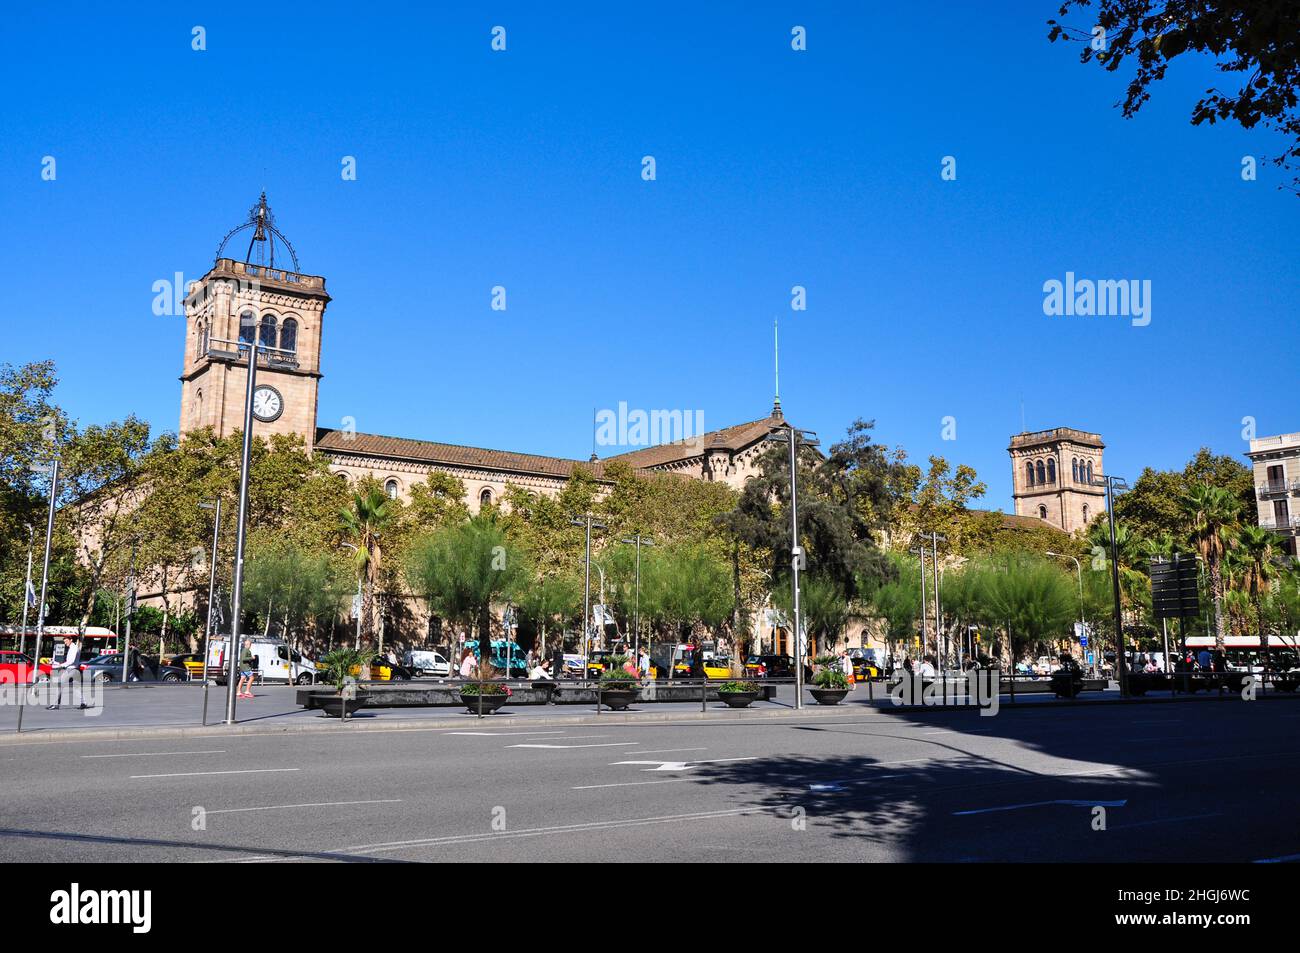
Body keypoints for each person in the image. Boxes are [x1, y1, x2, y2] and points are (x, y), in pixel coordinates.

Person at [46, 636, 83, 710]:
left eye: (66, 641)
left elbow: (71, 661)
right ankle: (83, 703)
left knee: (59, 685)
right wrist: (55, 662)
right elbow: (69, 661)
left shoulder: (74, 648)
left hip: (70, 670)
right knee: (76, 688)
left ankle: (55, 704)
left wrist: (60, 665)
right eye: (64, 641)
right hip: (75, 670)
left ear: (71, 640)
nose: (65, 643)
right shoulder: (73, 648)